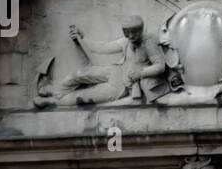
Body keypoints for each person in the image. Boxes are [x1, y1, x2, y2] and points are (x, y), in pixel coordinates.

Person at [33, 16, 168, 107]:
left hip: (122, 86)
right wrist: (82, 37)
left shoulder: (149, 42)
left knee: (84, 96)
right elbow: (102, 48)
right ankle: (56, 90)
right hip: (115, 71)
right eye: (127, 33)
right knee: (79, 74)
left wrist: (141, 72)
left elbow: (160, 66)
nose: (131, 36)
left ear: (141, 30)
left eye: (134, 33)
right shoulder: (126, 41)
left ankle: (51, 101)